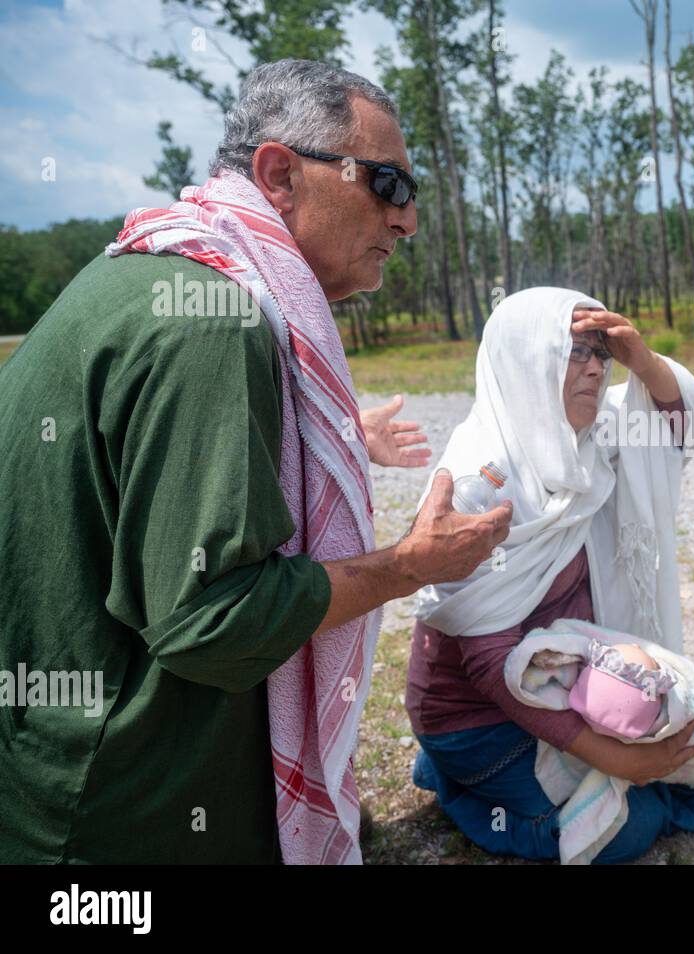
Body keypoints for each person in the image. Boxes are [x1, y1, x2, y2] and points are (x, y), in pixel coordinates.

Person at [0, 59, 510, 864]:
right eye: (389, 185)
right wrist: (411, 565)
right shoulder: (210, 324)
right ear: (280, 175)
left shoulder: (155, 273)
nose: (407, 221)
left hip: (49, 767)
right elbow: (212, 620)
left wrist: (320, 439)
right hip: (123, 822)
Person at [404, 286, 694, 863]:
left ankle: (476, 777)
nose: (597, 368)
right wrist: (616, 760)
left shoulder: (588, 440)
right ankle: (461, 781)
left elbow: (683, 429)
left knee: (687, 731)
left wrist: (645, 361)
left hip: (560, 680)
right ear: (528, 362)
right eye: (574, 351)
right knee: (636, 822)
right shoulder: (481, 481)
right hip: (476, 716)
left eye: (601, 352)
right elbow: (488, 660)